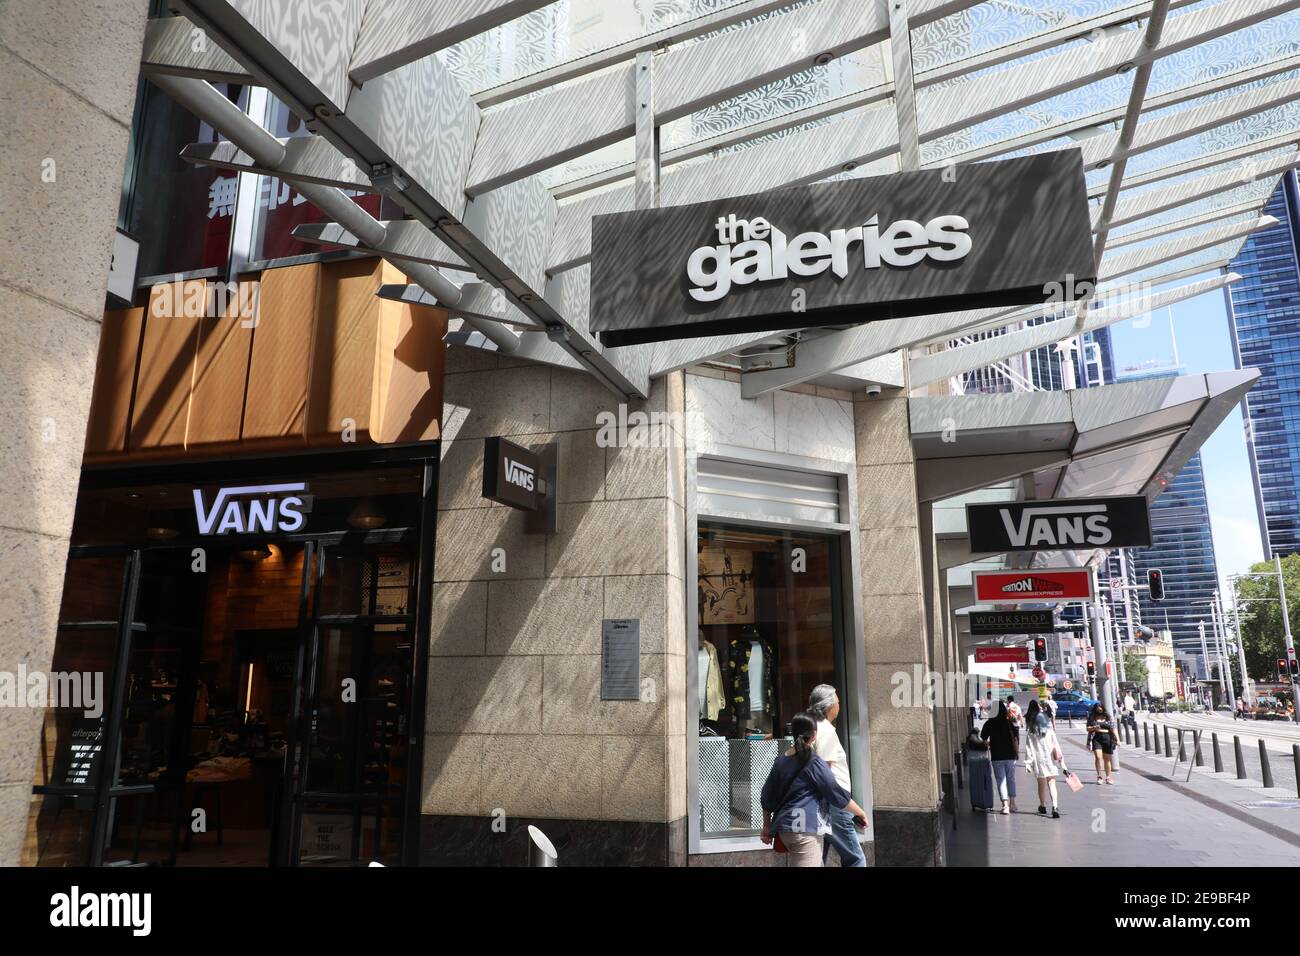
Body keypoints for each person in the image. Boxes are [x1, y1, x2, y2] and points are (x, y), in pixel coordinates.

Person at [760, 712, 869, 866]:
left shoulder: (781, 760)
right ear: (814, 735)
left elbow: (767, 797)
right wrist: (859, 812)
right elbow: (835, 792)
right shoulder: (814, 762)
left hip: (784, 830)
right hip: (804, 830)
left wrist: (766, 826)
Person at [807, 684, 865, 867]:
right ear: (829, 706)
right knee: (856, 859)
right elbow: (827, 779)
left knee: (818, 860)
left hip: (823, 803)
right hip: (834, 804)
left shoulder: (813, 728)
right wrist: (856, 810)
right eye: (838, 702)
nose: (839, 705)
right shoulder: (826, 732)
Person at [1022, 699, 1064, 818]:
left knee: (1041, 784)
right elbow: (1057, 747)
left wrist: (1028, 763)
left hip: (1039, 761)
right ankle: (1055, 806)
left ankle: (1042, 805)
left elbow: (1029, 749)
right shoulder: (1050, 732)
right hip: (1050, 760)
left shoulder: (1031, 734)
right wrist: (1062, 763)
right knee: (1052, 783)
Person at [979, 702, 1019, 814]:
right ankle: (1013, 804)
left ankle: (1005, 805)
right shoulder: (1009, 722)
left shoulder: (990, 723)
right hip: (1010, 755)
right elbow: (1015, 738)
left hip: (997, 756)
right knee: (1011, 779)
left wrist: (989, 744)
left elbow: (983, 738)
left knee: (1001, 780)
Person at [1087, 703, 1117, 784]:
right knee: (1098, 757)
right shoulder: (1092, 717)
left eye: (1100, 707)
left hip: (1107, 738)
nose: (1099, 709)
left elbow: (1113, 728)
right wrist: (1094, 728)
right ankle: (1099, 776)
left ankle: (1108, 777)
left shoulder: (1108, 717)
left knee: (1107, 759)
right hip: (1097, 738)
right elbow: (1088, 728)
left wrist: (1117, 739)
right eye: (1097, 707)